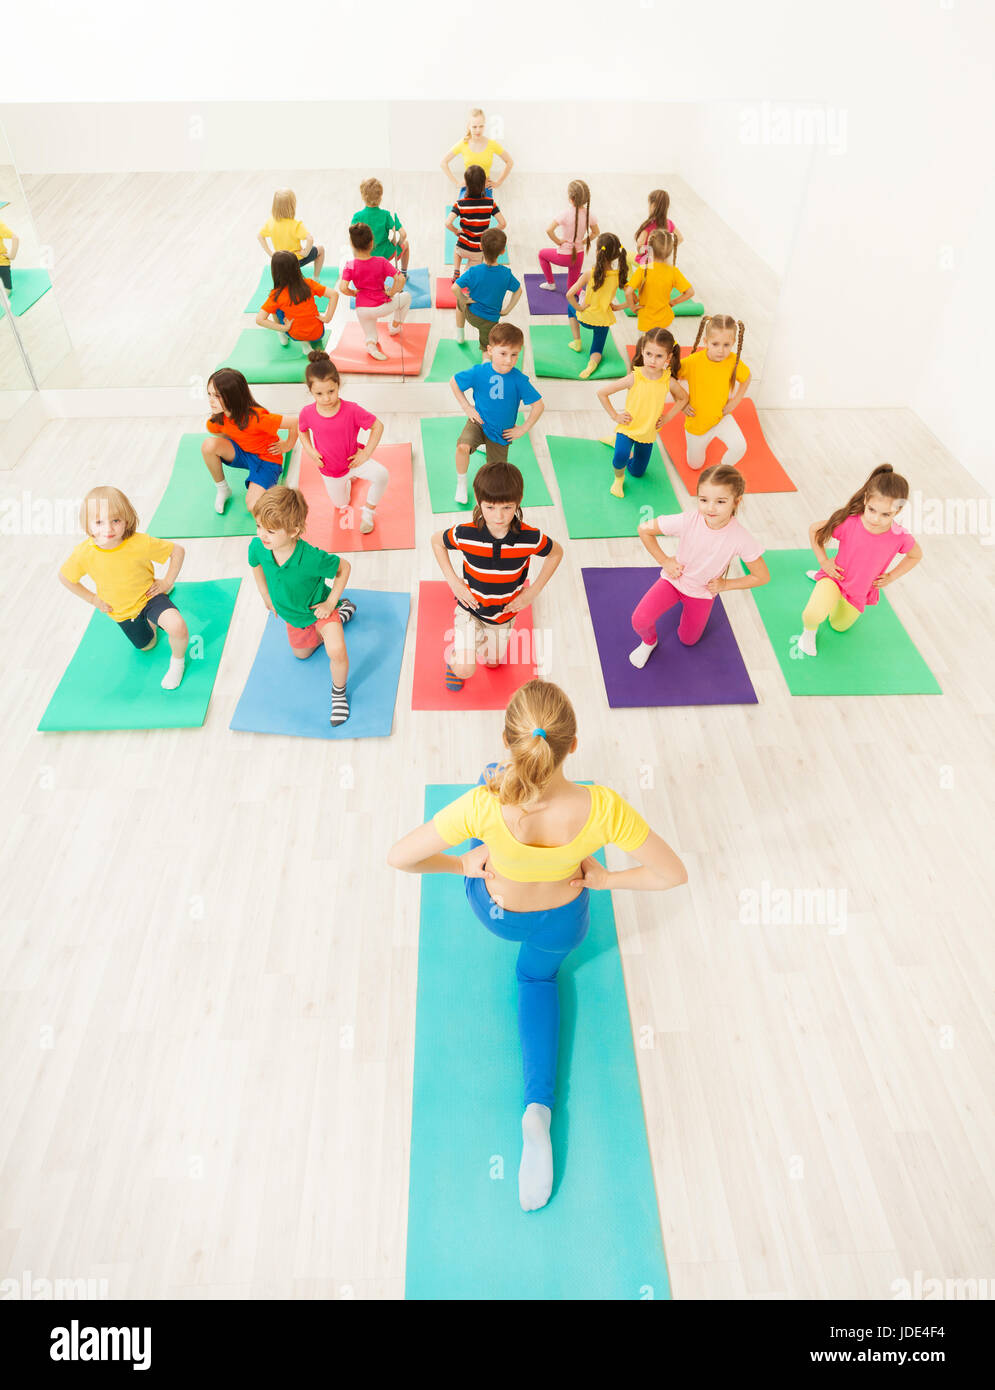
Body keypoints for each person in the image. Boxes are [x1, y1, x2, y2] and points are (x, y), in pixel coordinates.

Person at [387, 679, 688, 1211]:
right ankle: (537, 1112)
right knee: (536, 979)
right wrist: (603, 880)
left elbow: (401, 857)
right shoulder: (604, 808)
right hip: (562, 921)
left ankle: (500, 785)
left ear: (511, 742)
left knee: (487, 789)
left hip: (499, 913)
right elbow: (671, 875)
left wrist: (462, 861)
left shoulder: (481, 806)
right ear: (573, 746)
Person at [431, 461, 562, 691]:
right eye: (490, 507)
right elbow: (436, 542)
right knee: (465, 669)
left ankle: (474, 647)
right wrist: (454, 583)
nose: (499, 516)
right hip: (470, 610)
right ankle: (457, 659)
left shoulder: (530, 537)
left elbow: (556, 553)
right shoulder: (465, 533)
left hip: (503, 615)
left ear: (518, 503)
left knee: (492, 663)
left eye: (507, 508)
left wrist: (533, 592)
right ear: (479, 501)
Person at [630, 464, 769, 665]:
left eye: (720, 501)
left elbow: (762, 576)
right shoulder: (688, 520)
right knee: (639, 620)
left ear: (736, 502)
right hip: (673, 581)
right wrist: (665, 561)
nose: (710, 508)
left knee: (688, 640)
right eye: (704, 500)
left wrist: (725, 585)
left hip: (702, 593)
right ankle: (649, 642)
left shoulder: (740, 538)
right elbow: (644, 529)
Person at [58, 486, 189, 690]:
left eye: (115, 520)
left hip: (149, 596)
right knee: (147, 645)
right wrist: (93, 599)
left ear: (126, 520)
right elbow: (65, 578)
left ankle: (177, 663)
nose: (108, 529)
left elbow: (177, 552)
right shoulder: (84, 554)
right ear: (88, 525)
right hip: (122, 611)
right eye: (99, 522)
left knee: (177, 627)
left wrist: (166, 582)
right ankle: (151, 623)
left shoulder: (139, 542)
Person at [247, 486, 356, 726]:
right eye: (259, 527)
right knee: (301, 654)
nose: (262, 535)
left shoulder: (311, 558)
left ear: (294, 531)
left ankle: (338, 694)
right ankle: (341, 614)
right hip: (294, 616)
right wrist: (265, 594)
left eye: (271, 531)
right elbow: (254, 563)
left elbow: (344, 568)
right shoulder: (259, 547)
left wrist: (329, 603)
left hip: (319, 609)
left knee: (336, 651)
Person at [798, 464, 922, 657]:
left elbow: (915, 555)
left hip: (859, 590)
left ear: (897, 511)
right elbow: (815, 530)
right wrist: (824, 562)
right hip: (835, 578)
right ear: (865, 499)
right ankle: (808, 631)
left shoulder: (900, 536)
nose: (875, 519)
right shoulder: (849, 522)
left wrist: (891, 576)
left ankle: (829, 593)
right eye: (871, 510)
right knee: (812, 615)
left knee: (838, 626)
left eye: (885, 514)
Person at [449, 322, 544, 505]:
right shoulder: (479, 372)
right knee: (462, 447)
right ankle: (461, 482)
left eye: (514, 354)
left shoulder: (519, 380)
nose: (509, 360)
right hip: (478, 422)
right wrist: (467, 407)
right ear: (490, 350)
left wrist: (523, 429)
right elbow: (454, 381)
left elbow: (539, 405)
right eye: (503, 353)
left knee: (494, 471)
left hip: (501, 432)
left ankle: (486, 446)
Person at [298, 351, 389, 537]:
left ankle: (369, 512)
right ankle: (348, 483)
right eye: (319, 393)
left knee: (381, 475)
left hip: (354, 461)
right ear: (310, 391)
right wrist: (310, 451)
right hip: (331, 470)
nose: (326, 398)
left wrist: (366, 454)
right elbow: (302, 430)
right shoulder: (307, 413)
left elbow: (377, 426)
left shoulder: (352, 410)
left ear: (339, 385)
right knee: (341, 504)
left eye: (331, 391)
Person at [596, 328, 688, 498]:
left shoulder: (668, 380)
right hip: (628, 428)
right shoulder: (634, 377)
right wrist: (615, 416)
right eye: (649, 354)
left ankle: (617, 444)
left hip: (648, 432)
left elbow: (683, 398)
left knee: (638, 472)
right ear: (642, 352)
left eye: (659, 356)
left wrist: (668, 417)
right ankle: (619, 477)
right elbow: (602, 393)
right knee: (620, 457)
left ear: (668, 358)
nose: (652, 360)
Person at [201, 369, 299, 516]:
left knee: (253, 507)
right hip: (244, 453)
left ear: (233, 396)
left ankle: (269, 484)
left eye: (217, 395)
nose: (211, 400)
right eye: (209, 394)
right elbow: (225, 435)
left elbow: (295, 423)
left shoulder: (257, 418)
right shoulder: (217, 421)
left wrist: (287, 445)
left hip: (266, 460)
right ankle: (223, 489)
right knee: (209, 445)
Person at [678, 314, 751, 470]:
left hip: (721, 418)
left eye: (726, 345)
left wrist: (736, 401)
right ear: (706, 342)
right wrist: (682, 403)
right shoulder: (692, 362)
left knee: (740, 446)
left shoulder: (732, 361)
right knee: (695, 465)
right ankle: (699, 446)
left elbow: (747, 377)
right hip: (697, 425)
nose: (721, 350)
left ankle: (721, 469)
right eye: (715, 344)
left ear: (733, 343)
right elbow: (669, 377)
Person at [339, 223, 411, 362]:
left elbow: (342, 288)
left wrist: (354, 293)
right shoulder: (381, 262)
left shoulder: (350, 265)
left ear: (352, 246)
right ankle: (394, 326)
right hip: (382, 307)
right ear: (372, 243)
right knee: (406, 297)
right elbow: (400, 278)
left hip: (362, 310)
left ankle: (371, 345)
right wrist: (392, 292)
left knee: (371, 335)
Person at [564, 232, 628, 379]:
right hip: (603, 321)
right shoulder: (618, 276)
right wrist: (619, 307)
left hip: (585, 317)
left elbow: (569, 295)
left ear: (598, 251)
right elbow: (633, 299)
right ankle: (592, 365)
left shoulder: (589, 273)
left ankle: (577, 342)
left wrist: (579, 308)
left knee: (569, 308)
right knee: (597, 349)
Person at [453, 228, 521, 350]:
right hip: (491, 321)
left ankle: (460, 336)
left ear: (480, 247)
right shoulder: (506, 274)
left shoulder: (473, 271)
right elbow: (518, 291)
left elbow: (455, 288)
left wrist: (464, 299)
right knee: (487, 349)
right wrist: (507, 310)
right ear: (503, 251)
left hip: (472, 314)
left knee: (459, 303)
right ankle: (486, 363)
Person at [255, 251, 336, 353]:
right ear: (297, 267)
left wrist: (284, 328)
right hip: (318, 333)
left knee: (275, 309)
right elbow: (334, 294)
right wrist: (327, 317)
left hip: (296, 335)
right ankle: (305, 344)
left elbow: (259, 319)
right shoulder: (309, 284)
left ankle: (282, 333)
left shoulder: (276, 295)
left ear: (275, 271)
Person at [537, 180, 599, 294]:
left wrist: (558, 242)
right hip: (579, 256)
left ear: (571, 198)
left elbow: (549, 230)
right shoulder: (590, 214)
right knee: (573, 287)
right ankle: (584, 296)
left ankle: (551, 283)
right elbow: (596, 232)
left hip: (564, 256)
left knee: (542, 254)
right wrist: (583, 241)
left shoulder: (564, 214)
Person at [446, 164, 506, 280]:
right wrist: (488, 233)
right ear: (484, 183)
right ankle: (466, 278)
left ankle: (456, 271)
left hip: (463, 245)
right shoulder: (490, 203)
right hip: (479, 248)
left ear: (466, 184)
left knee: (457, 251)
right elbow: (503, 223)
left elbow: (448, 223)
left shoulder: (460, 203)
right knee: (471, 274)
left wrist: (456, 231)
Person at [628, 230, 694, 332]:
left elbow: (628, 292)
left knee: (645, 346)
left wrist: (632, 307)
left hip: (646, 319)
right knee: (661, 345)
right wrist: (673, 302)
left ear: (650, 249)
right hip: (665, 319)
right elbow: (690, 292)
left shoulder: (643, 269)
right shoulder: (673, 271)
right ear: (670, 251)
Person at [440, 107, 514, 193]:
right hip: (468, 187)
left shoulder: (492, 144)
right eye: (474, 127)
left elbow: (510, 162)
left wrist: (498, 182)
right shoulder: (463, 143)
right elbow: (443, 163)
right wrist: (457, 183)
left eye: (481, 126)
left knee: (488, 206)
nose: (478, 130)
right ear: (469, 126)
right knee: (459, 207)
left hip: (485, 187)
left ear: (484, 125)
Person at [257, 188, 325, 276]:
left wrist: (271, 254)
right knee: (321, 250)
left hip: (280, 262)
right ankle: (316, 277)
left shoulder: (270, 222)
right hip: (295, 260)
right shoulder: (296, 225)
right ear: (292, 206)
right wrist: (305, 253)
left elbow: (260, 236)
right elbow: (310, 239)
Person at [350, 177, 409, 273]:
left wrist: (358, 256)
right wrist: (398, 243)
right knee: (406, 244)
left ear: (363, 197)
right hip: (384, 256)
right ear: (380, 197)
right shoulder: (387, 215)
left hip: (364, 256)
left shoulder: (357, 217)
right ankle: (404, 272)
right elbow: (403, 235)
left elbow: (353, 240)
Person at [634, 188, 683, 265]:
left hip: (646, 263)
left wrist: (648, 252)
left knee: (626, 257)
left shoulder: (648, 226)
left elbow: (640, 247)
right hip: (662, 262)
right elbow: (680, 238)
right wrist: (665, 249)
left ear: (653, 206)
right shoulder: (669, 223)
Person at [0, 216, 18, 294]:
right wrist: (12, 256)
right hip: (2, 264)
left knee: (7, 291)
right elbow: (15, 238)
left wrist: (12, 256)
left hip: (2, 264)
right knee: (7, 291)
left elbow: (15, 238)